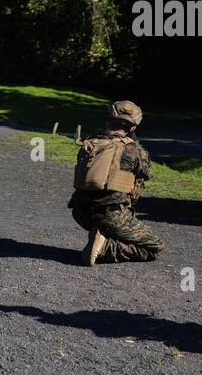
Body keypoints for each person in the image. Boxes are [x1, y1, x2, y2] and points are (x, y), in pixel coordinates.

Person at [68, 100, 164, 265]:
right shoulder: (135, 150)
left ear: (108, 119)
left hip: (81, 213)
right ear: (133, 127)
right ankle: (105, 248)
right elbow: (146, 174)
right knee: (154, 247)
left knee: (112, 224)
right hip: (112, 215)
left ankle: (102, 234)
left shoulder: (89, 143)